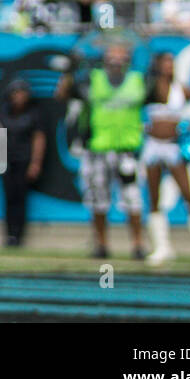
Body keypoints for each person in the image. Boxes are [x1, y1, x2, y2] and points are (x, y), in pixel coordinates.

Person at [59, 39, 148, 260]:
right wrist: (70, 70)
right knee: (98, 199)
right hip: (98, 148)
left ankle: (138, 244)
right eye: (112, 59)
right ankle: (101, 244)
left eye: (121, 59)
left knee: (132, 198)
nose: (116, 64)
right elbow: (62, 94)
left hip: (127, 149)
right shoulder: (93, 80)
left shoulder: (138, 81)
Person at [141, 50, 190, 268]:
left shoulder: (181, 88)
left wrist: (189, 126)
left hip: (173, 146)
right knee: (154, 197)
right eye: (165, 63)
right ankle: (162, 247)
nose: (169, 67)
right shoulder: (148, 87)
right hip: (152, 146)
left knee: (189, 196)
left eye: (171, 63)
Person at [0, 79, 46, 247]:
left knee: (21, 198)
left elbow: (38, 138)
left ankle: (18, 235)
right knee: (8, 197)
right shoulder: (3, 113)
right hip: (6, 160)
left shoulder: (34, 114)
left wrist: (35, 162)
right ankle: (9, 234)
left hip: (24, 160)